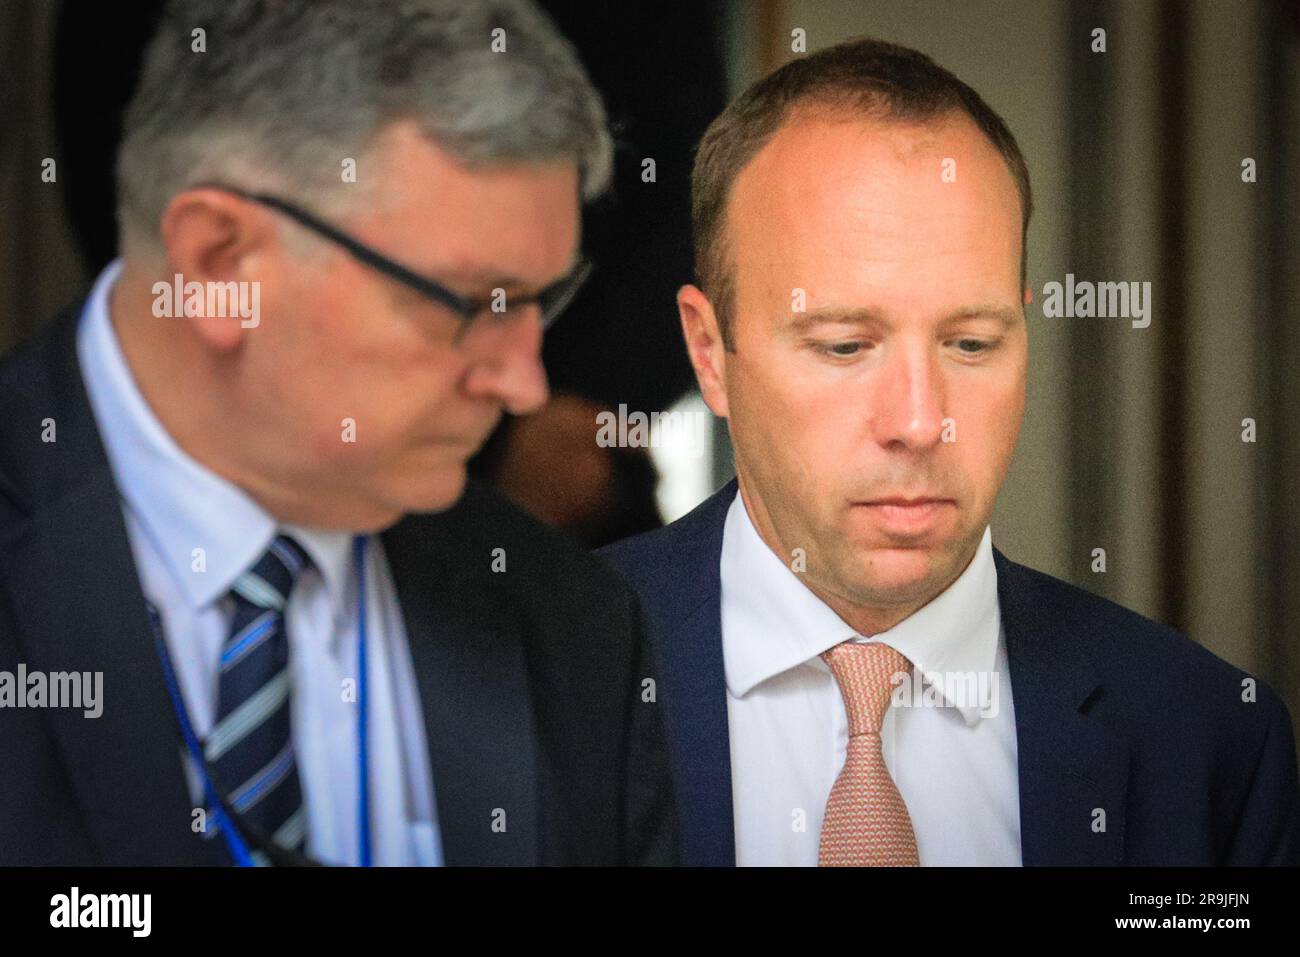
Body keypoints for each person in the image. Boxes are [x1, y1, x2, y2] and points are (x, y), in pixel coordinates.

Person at [0, 0, 676, 866]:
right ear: (218, 264)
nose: (526, 382)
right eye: (473, 304)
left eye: (543, 301)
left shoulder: (576, 627)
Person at [600, 36, 1300, 866]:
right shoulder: (541, 676)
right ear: (712, 353)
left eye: (971, 343)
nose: (922, 421)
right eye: (844, 346)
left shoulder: (1206, 736)